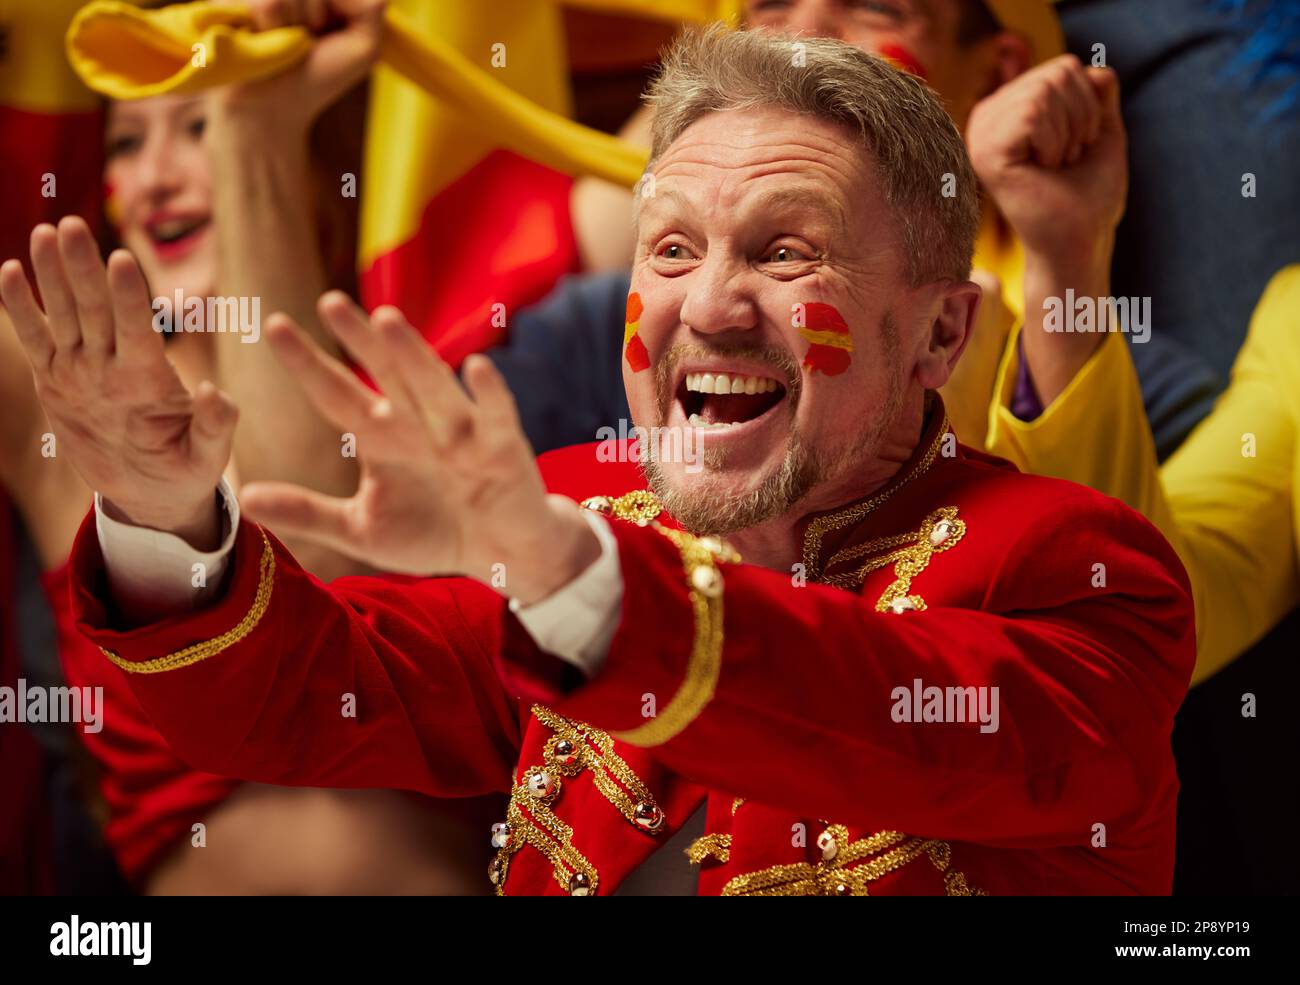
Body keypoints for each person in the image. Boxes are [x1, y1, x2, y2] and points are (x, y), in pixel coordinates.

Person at [4, 27, 1195, 895]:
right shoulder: (582, 505)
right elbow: (291, 701)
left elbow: (878, 712)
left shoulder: (1076, 572)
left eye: (785, 252)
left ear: (942, 330)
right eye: (671, 249)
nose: (708, 306)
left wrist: (570, 577)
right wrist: (164, 516)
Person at [0, 0, 491, 893]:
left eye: (194, 124)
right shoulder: (54, 373)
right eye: (123, 142)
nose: (154, 178)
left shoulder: (429, 345)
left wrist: (249, 125)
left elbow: (311, 581)